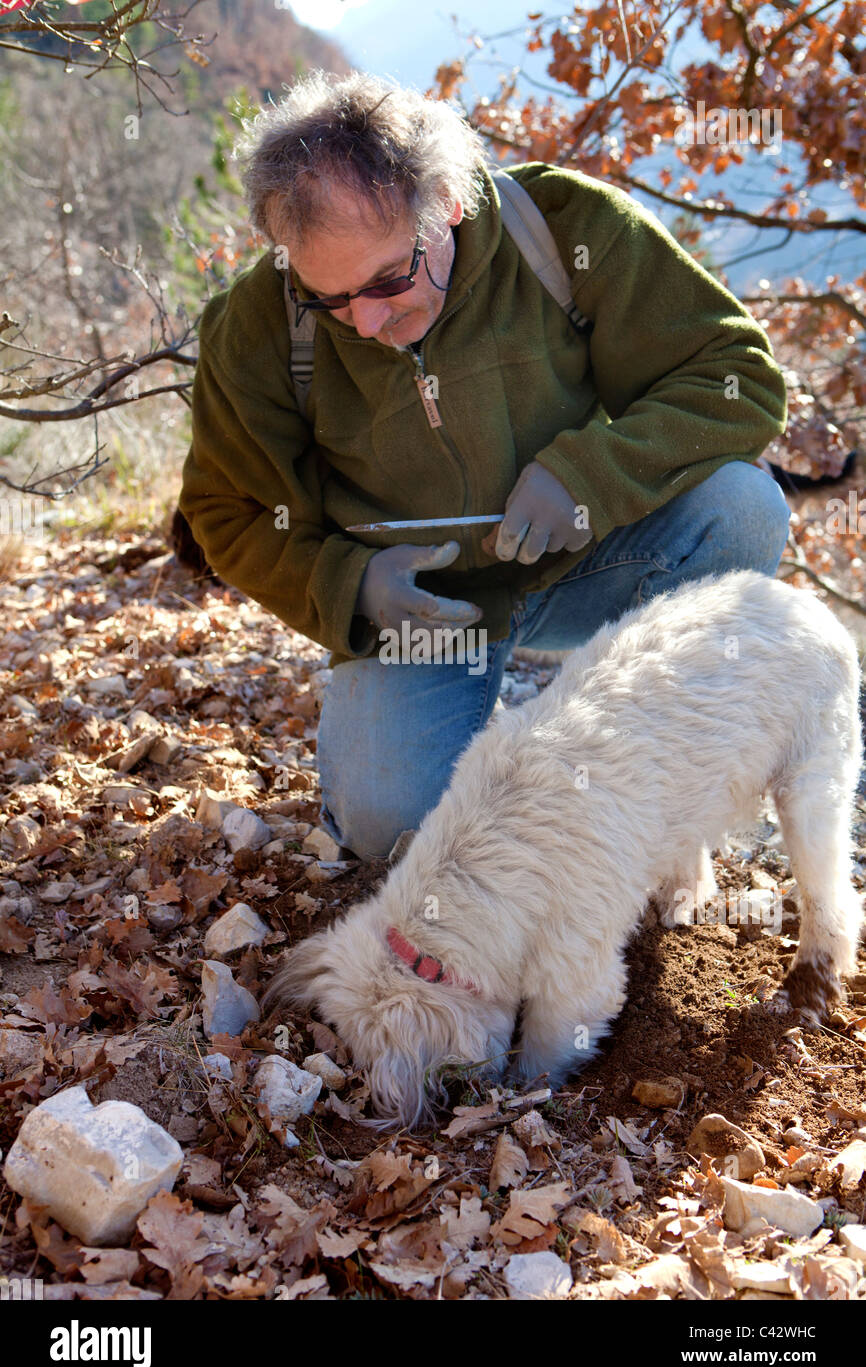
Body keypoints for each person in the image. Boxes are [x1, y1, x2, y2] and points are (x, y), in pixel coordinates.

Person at [178, 69, 790, 862]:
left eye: (390, 280)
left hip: (587, 563)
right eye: (333, 298)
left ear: (450, 206)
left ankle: (653, 771)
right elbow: (224, 511)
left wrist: (587, 478)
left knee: (743, 505)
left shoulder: (561, 229)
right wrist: (350, 586)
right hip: (426, 620)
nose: (367, 322)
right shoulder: (259, 323)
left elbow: (734, 376)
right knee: (391, 826)